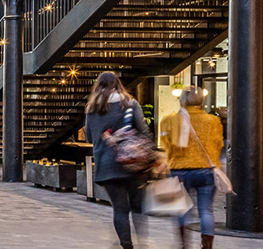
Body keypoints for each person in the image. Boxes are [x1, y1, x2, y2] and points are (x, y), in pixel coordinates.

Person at [86, 72, 152, 249]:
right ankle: (142, 243)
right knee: (137, 207)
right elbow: (144, 130)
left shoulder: (92, 109)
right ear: (117, 84)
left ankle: (126, 245)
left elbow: (89, 138)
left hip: (107, 166)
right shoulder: (130, 103)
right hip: (132, 163)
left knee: (120, 208)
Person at [159, 89, 223, 249]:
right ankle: (206, 246)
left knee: (182, 209)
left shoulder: (170, 120)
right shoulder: (213, 121)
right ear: (201, 101)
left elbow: (166, 145)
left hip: (179, 170)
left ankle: (183, 244)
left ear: (182, 101)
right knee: (206, 210)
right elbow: (218, 144)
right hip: (206, 169)